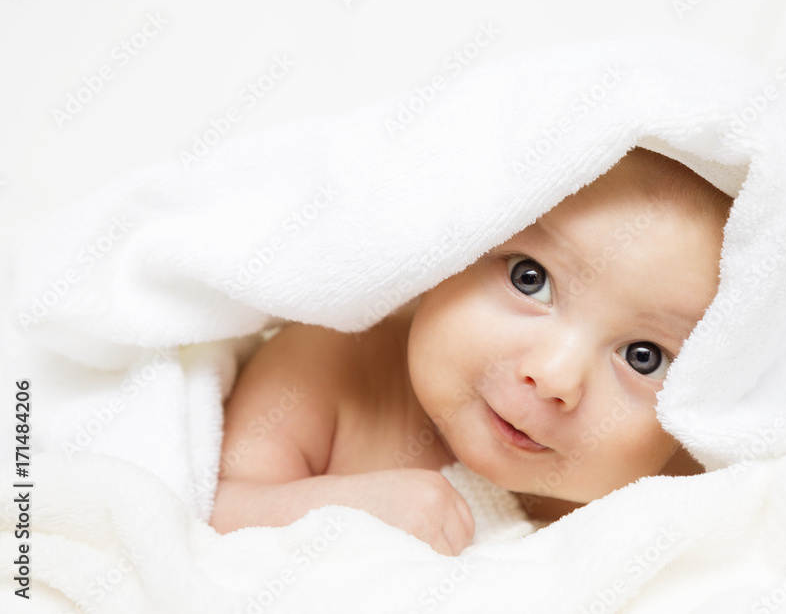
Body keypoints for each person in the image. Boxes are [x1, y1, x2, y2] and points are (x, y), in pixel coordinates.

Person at [209, 147, 732, 555]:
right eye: (530, 279)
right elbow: (206, 516)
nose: (554, 376)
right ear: (452, 249)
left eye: (644, 356)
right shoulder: (329, 365)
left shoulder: (678, 494)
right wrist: (338, 512)